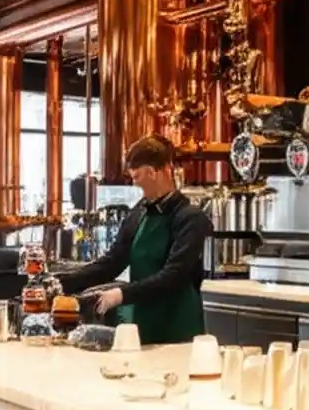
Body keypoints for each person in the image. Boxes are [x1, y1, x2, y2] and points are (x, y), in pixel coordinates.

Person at [57, 135, 212, 344]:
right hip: (144, 320)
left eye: (136, 177)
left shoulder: (190, 218)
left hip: (179, 326)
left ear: (153, 172)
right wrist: (60, 283)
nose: (134, 183)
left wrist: (121, 294)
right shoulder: (139, 212)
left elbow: (173, 275)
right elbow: (112, 263)